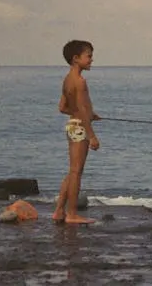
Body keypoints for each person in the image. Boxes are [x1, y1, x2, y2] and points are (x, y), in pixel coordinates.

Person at [52, 40, 101, 224]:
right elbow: (80, 109)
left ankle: (59, 211)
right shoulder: (80, 82)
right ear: (75, 58)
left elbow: (63, 107)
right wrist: (92, 136)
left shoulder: (67, 79)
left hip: (72, 125)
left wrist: (90, 114)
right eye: (88, 56)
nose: (91, 60)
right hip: (80, 128)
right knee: (76, 173)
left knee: (73, 171)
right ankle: (71, 214)